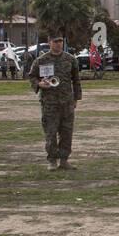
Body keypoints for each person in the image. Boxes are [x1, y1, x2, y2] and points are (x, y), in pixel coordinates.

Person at [27, 34, 82, 170]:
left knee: (66, 132)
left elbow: (76, 80)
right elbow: (32, 76)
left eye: (60, 41)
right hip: (49, 103)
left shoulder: (70, 60)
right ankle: (52, 160)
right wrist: (39, 84)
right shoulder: (41, 60)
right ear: (49, 42)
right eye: (55, 41)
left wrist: (76, 98)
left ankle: (64, 160)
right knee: (51, 132)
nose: (58, 44)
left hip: (67, 102)